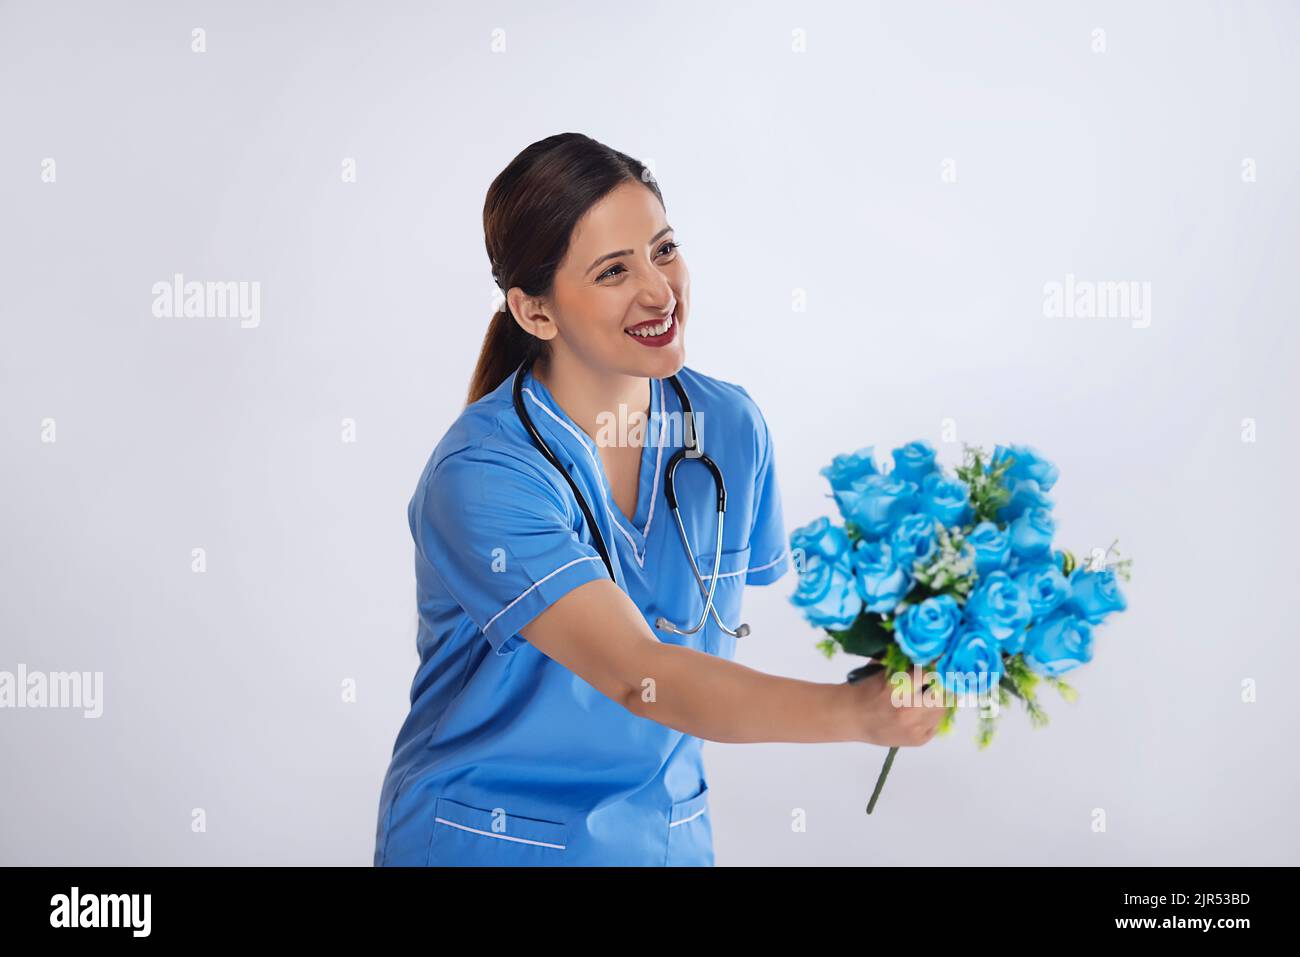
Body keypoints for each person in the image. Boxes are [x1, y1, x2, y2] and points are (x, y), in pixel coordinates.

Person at [373, 133, 943, 867]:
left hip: (660, 841)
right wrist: (852, 714)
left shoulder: (730, 429)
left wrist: (924, 625)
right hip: (490, 842)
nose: (658, 290)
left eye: (664, 249)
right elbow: (635, 674)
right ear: (535, 312)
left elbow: (740, 635)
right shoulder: (481, 474)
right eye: (614, 270)